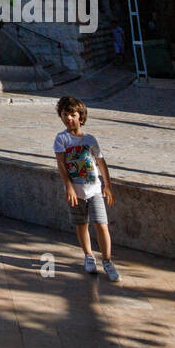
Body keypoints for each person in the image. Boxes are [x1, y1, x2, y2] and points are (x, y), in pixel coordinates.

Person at [54, 95, 120, 282]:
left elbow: (101, 162)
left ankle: (107, 261)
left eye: (72, 115)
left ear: (81, 118)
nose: (68, 118)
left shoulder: (90, 140)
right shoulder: (61, 139)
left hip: (94, 191)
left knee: (101, 224)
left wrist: (108, 186)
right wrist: (69, 187)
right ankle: (88, 256)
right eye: (65, 114)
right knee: (81, 225)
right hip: (76, 193)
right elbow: (61, 164)